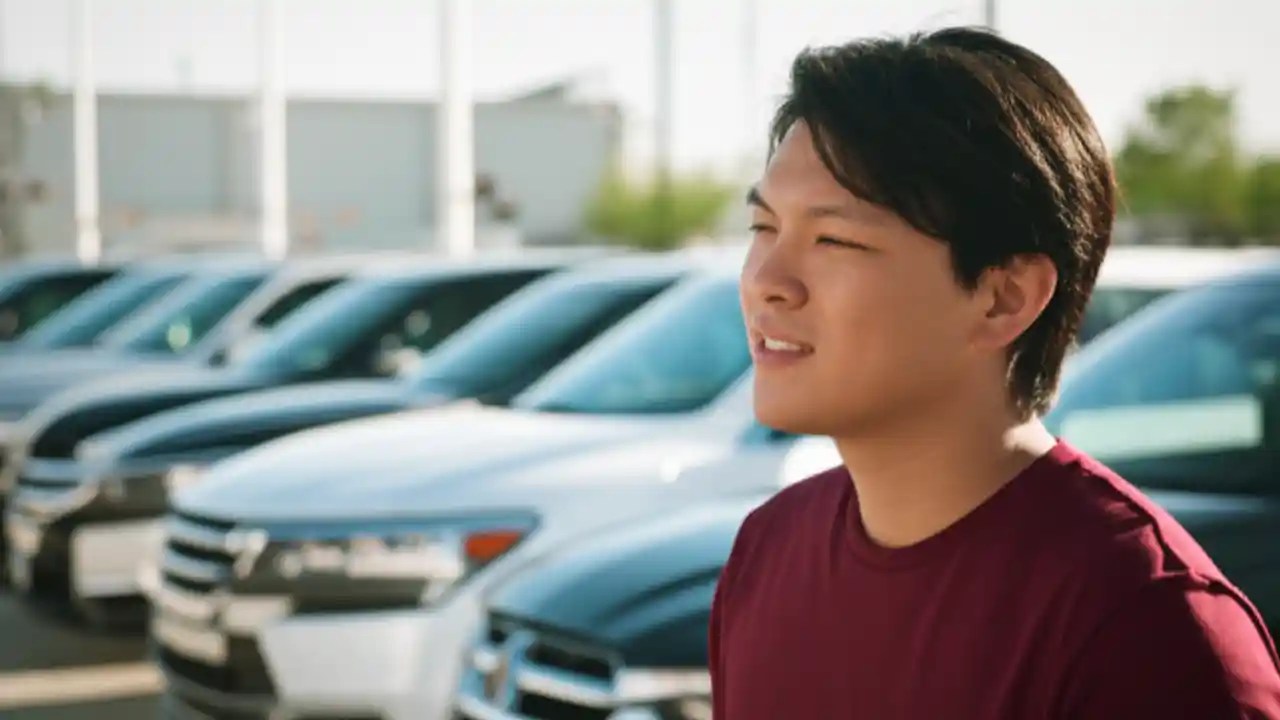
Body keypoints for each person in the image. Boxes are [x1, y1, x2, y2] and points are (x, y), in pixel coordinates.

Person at [712, 27, 1280, 719]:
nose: (767, 281)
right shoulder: (768, 552)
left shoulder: (1147, 627)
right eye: (763, 229)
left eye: (834, 239)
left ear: (1003, 297)